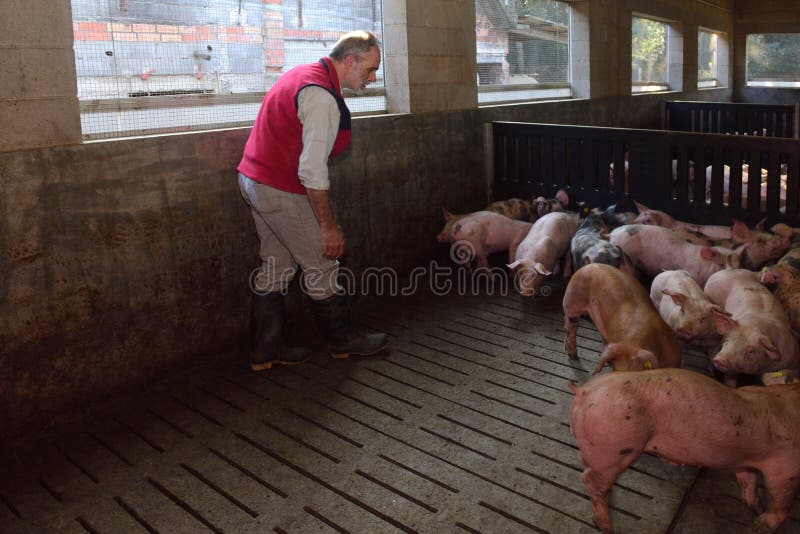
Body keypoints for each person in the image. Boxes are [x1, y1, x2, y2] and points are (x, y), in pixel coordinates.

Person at [237, 30, 388, 371]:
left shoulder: (302, 74)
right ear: (349, 61)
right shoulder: (321, 97)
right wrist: (328, 226)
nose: (372, 77)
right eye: (369, 69)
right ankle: (343, 342)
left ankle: (265, 349)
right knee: (322, 264)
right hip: (278, 187)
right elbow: (312, 171)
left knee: (276, 264)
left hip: (253, 179)